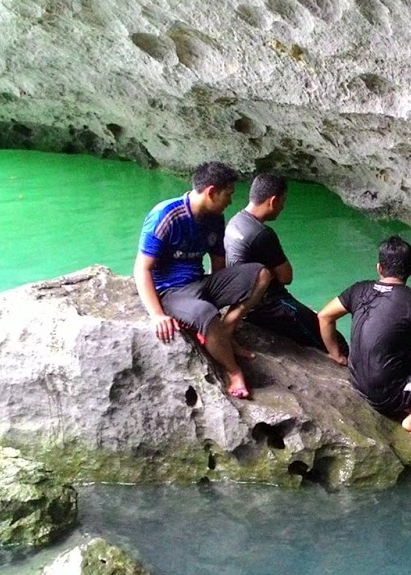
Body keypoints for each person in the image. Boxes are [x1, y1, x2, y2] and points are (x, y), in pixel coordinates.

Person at [134, 161, 272, 399]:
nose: (230, 201)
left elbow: (218, 262)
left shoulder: (215, 218)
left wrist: (220, 296)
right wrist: (157, 315)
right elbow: (141, 269)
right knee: (205, 313)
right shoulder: (166, 216)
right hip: (171, 292)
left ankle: (226, 330)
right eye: (227, 195)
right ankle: (234, 372)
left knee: (261, 274)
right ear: (211, 192)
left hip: (200, 282)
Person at [318, 235, 411, 437]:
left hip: (356, 381)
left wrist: (336, 355)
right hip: (385, 397)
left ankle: (405, 398)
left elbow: (324, 316)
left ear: (379, 268)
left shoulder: (359, 289)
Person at [224, 173, 348, 355]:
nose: (283, 207)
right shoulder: (261, 233)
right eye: (283, 201)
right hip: (266, 305)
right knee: (336, 340)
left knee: (310, 315)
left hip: (242, 298)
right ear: (272, 201)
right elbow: (286, 277)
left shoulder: (236, 221)